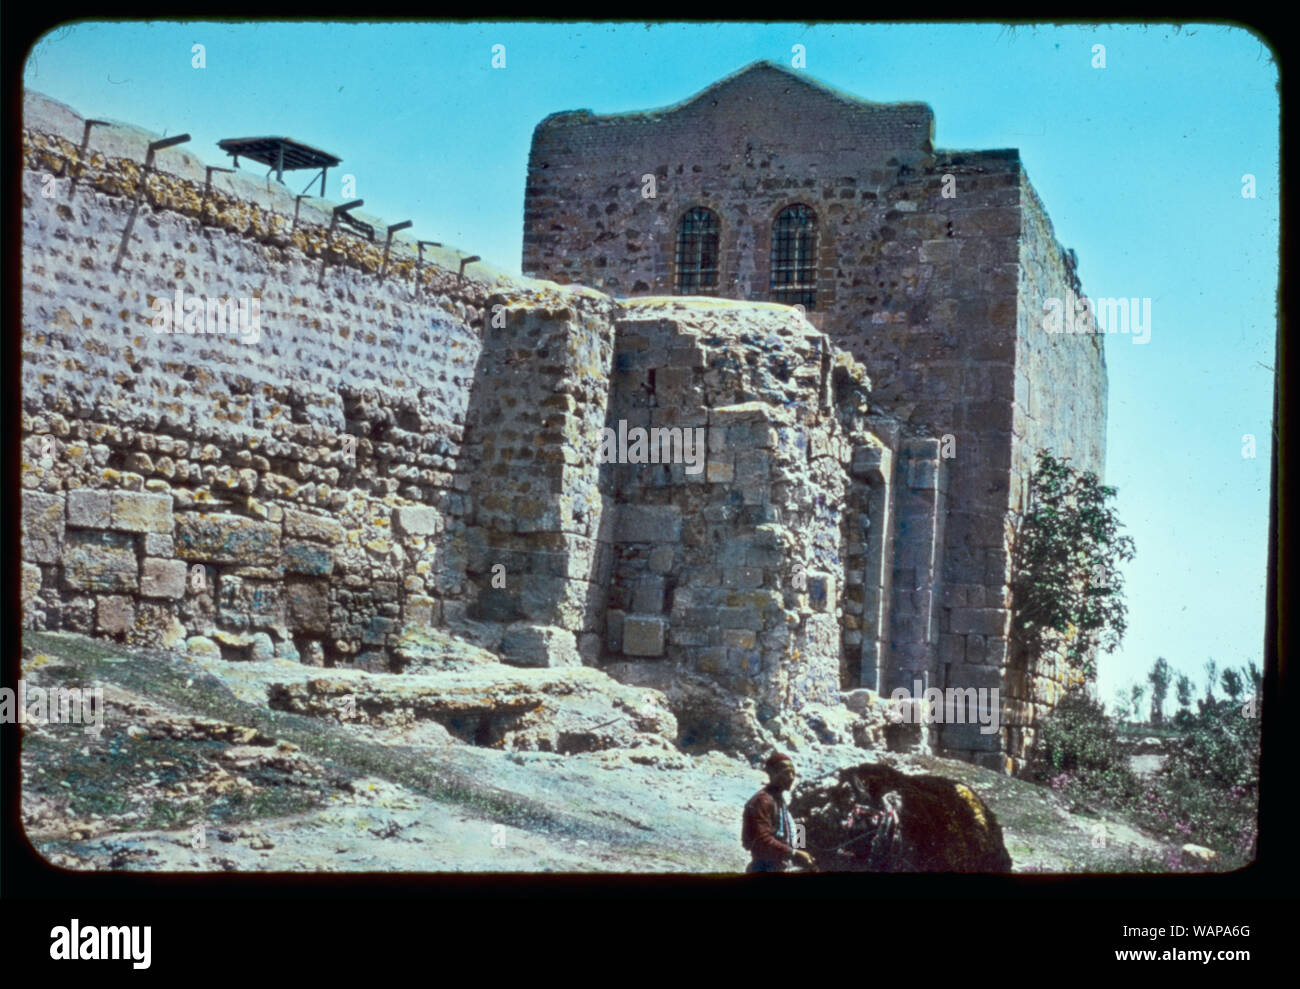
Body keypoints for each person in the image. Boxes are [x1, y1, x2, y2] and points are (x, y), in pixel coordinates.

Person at [741, 752, 815, 873]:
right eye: (786, 773)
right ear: (772, 773)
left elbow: (783, 826)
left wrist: (802, 828)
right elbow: (763, 839)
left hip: (780, 863)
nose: (791, 777)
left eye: (793, 773)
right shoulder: (763, 801)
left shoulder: (778, 798)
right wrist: (795, 853)